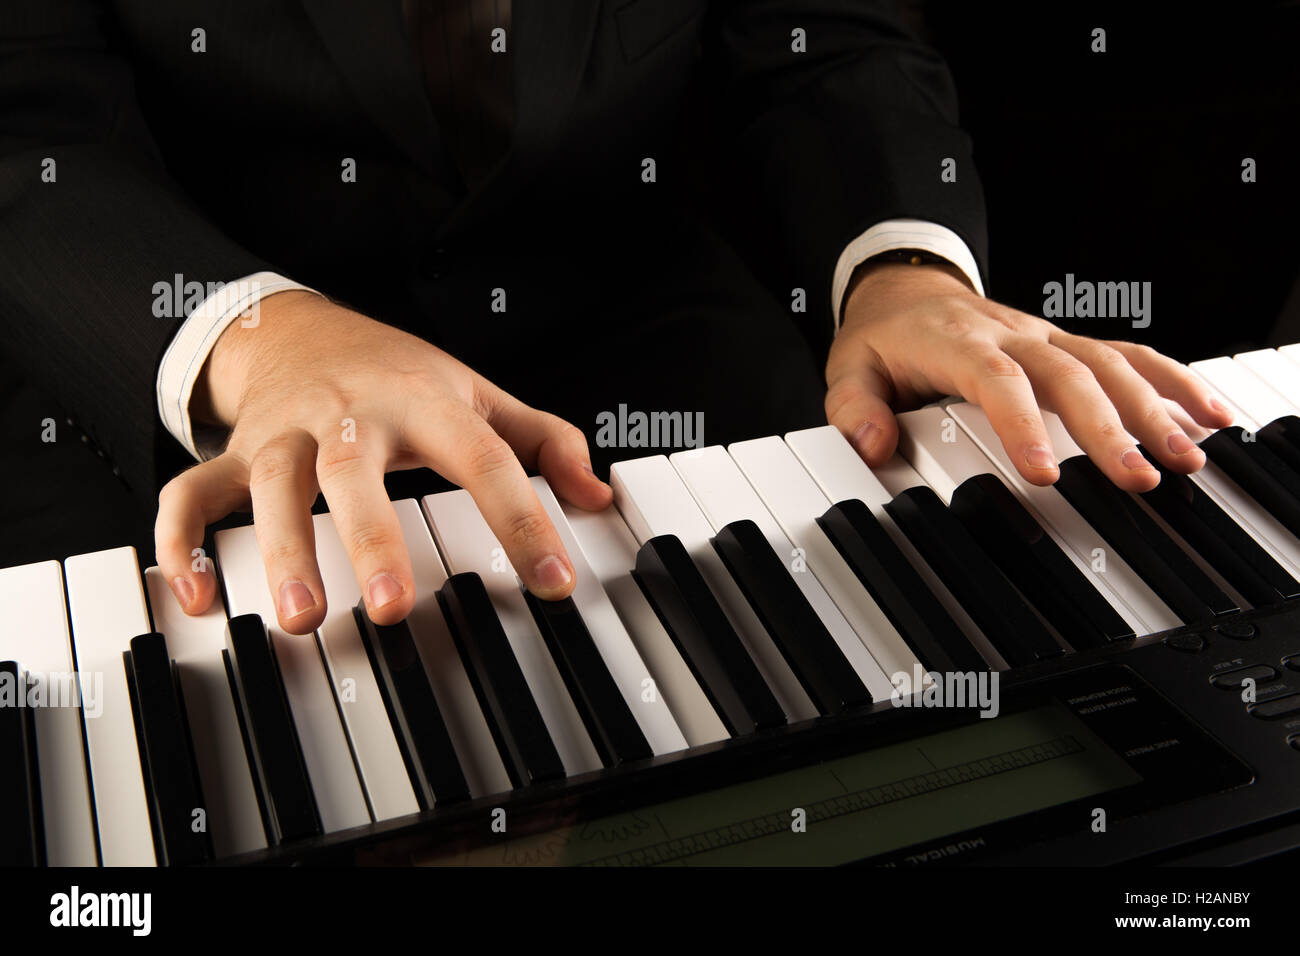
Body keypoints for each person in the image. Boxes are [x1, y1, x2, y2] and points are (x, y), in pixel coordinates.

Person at [0, 1, 1230, 639]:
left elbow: (820, 42)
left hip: (630, 325)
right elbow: (26, 123)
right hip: (171, 367)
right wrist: (267, 338)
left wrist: (905, 270)